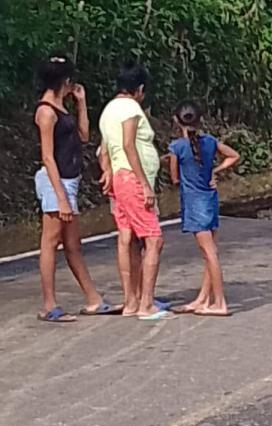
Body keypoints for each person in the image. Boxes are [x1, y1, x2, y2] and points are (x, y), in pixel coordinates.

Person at [32, 56, 120, 322]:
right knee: (50, 242)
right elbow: (48, 157)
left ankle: (94, 299)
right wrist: (61, 198)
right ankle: (49, 305)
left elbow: (83, 136)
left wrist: (81, 103)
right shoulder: (46, 112)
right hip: (55, 182)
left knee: (73, 245)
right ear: (66, 80)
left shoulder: (61, 108)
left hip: (69, 181)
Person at [99, 60, 169, 321]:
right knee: (153, 239)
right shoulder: (130, 108)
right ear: (139, 89)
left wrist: (107, 170)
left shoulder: (108, 110)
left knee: (127, 237)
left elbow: (104, 149)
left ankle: (131, 300)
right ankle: (146, 304)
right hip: (132, 179)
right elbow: (129, 145)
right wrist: (144, 184)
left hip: (120, 178)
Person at [166, 102, 240, 317]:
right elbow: (234, 155)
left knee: (209, 253)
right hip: (209, 199)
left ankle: (220, 302)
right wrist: (215, 170)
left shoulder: (177, 147)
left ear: (176, 121)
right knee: (210, 252)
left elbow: (174, 178)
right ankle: (204, 298)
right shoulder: (209, 141)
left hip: (193, 202)